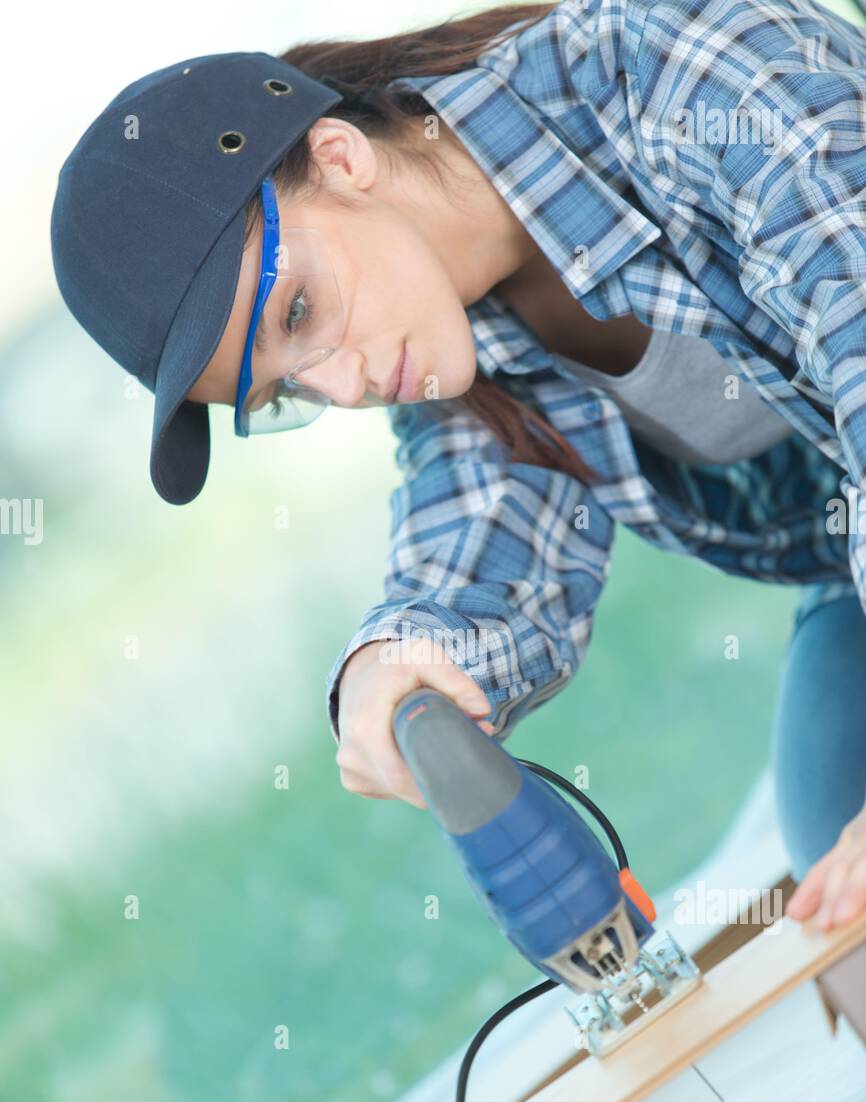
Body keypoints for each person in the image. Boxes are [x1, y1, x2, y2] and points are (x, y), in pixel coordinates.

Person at [50, 0, 866, 935]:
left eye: (300, 314)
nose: (348, 384)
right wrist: (395, 667)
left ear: (340, 157)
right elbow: (482, 549)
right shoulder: (452, 338)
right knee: (833, 855)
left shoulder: (691, 68)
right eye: (287, 390)